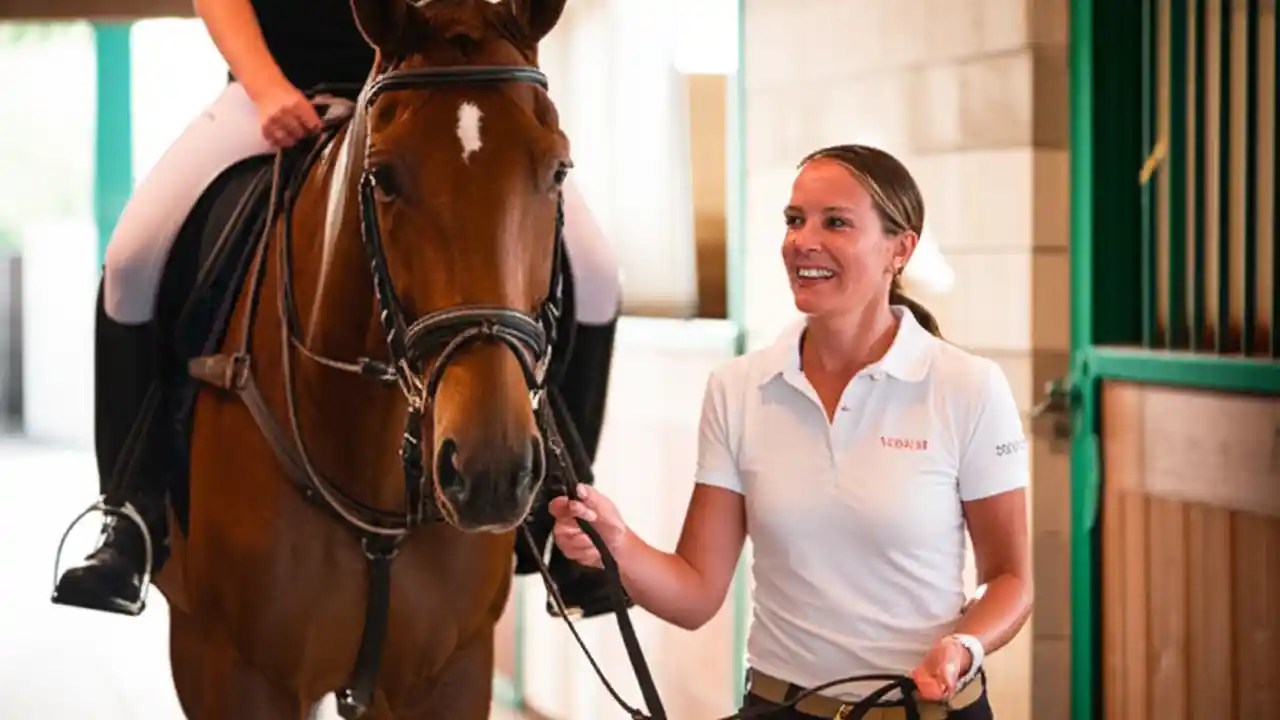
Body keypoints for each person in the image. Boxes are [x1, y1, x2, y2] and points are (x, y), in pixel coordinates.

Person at [52, 0, 623, 618]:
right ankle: (130, 514)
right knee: (133, 260)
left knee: (593, 271)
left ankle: (559, 517)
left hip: (426, 89)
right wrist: (268, 90)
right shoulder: (268, 88)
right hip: (274, 97)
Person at [550, 144, 1032, 719]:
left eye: (836, 223)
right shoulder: (739, 388)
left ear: (898, 250)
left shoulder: (967, 386)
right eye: (794, 219)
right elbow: (696, 591)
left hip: (927, 711)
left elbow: (1009, 578)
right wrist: (618, 544)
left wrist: (964, 645)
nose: (803, 240)